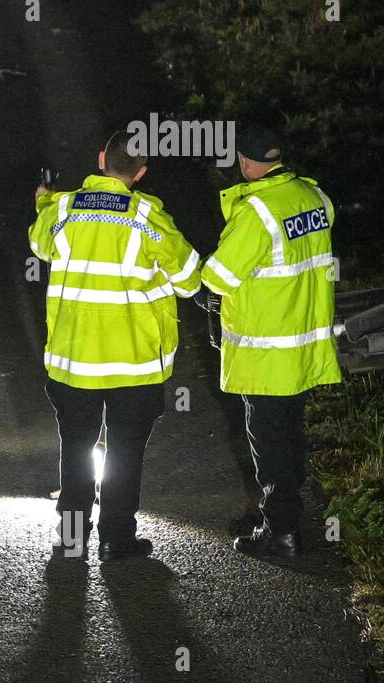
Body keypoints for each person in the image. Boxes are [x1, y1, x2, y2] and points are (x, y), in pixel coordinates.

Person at [29, 129, 201, 560]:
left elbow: (38, 242)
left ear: (101, 157)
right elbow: (190, 279)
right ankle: (116, 539)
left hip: (75, 360)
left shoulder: (63, 208)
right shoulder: (148, 217)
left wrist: (43, 201)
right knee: (124, 453)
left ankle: (71, 540)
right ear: (140, 173)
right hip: (134, 363)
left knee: (75, 448)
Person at [200, 126, 341, 556]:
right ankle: (292, 512)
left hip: (267, 351)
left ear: (244, 161)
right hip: (304, 345)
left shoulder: (256, 211)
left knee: (269, 438)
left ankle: (281, 529)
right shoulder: (315, 198)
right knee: (290, 432)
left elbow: (218, 276)